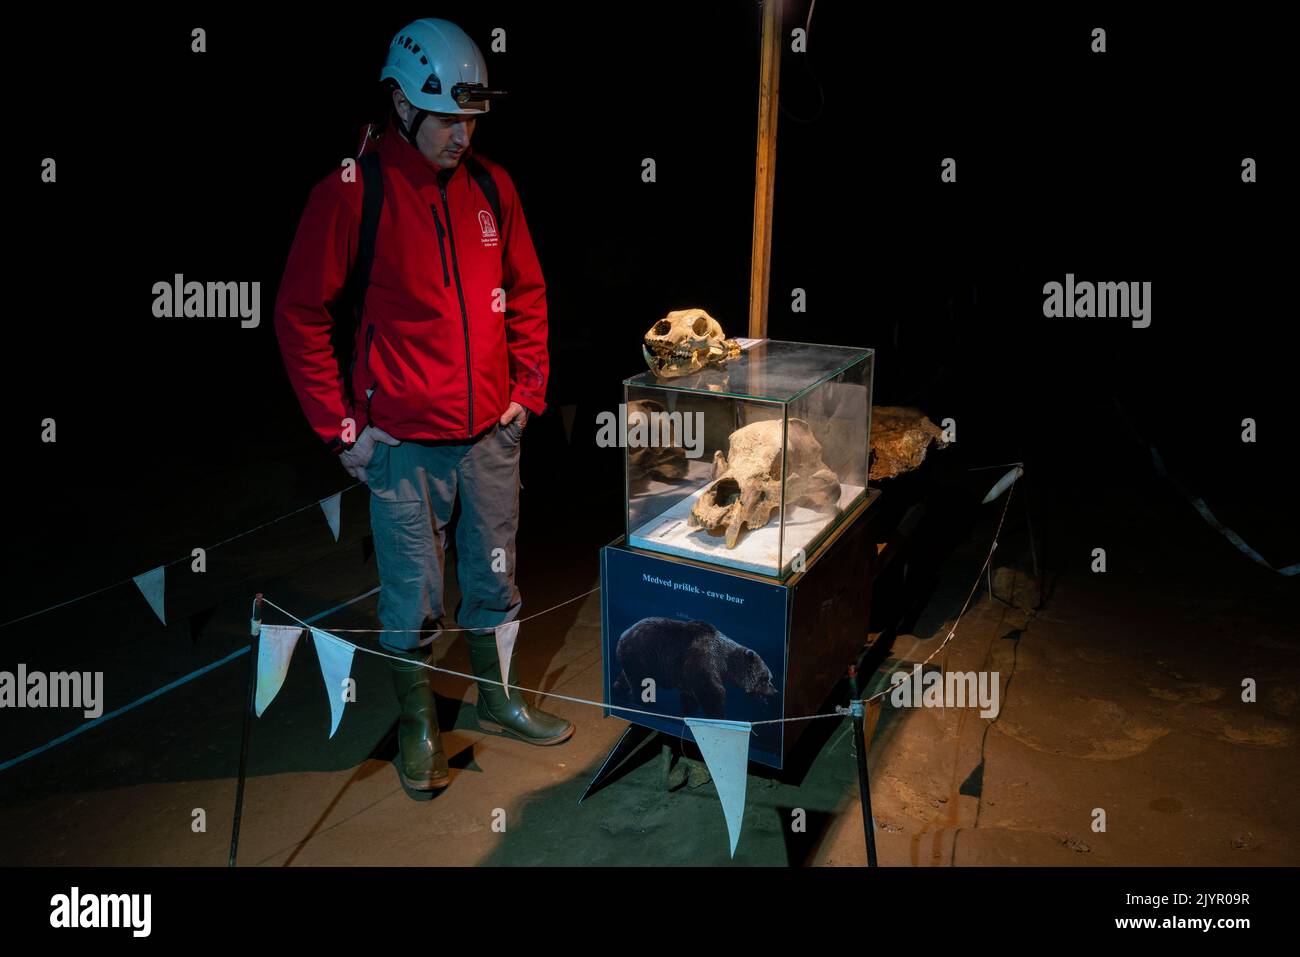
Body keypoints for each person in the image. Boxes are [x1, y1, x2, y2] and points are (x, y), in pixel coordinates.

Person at [273, 17, 573, 795]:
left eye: (472, 116)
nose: (462, 133)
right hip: (402, 444)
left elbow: (529, 291)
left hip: (489, 438)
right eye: (447, 118)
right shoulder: (352, 190)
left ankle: (499, 699)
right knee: (412, 594)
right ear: (402, 105)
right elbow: (300, 313)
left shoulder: (492, 186)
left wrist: (526, 393)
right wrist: (344, 429)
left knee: (493, 576)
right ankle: (416, 725)